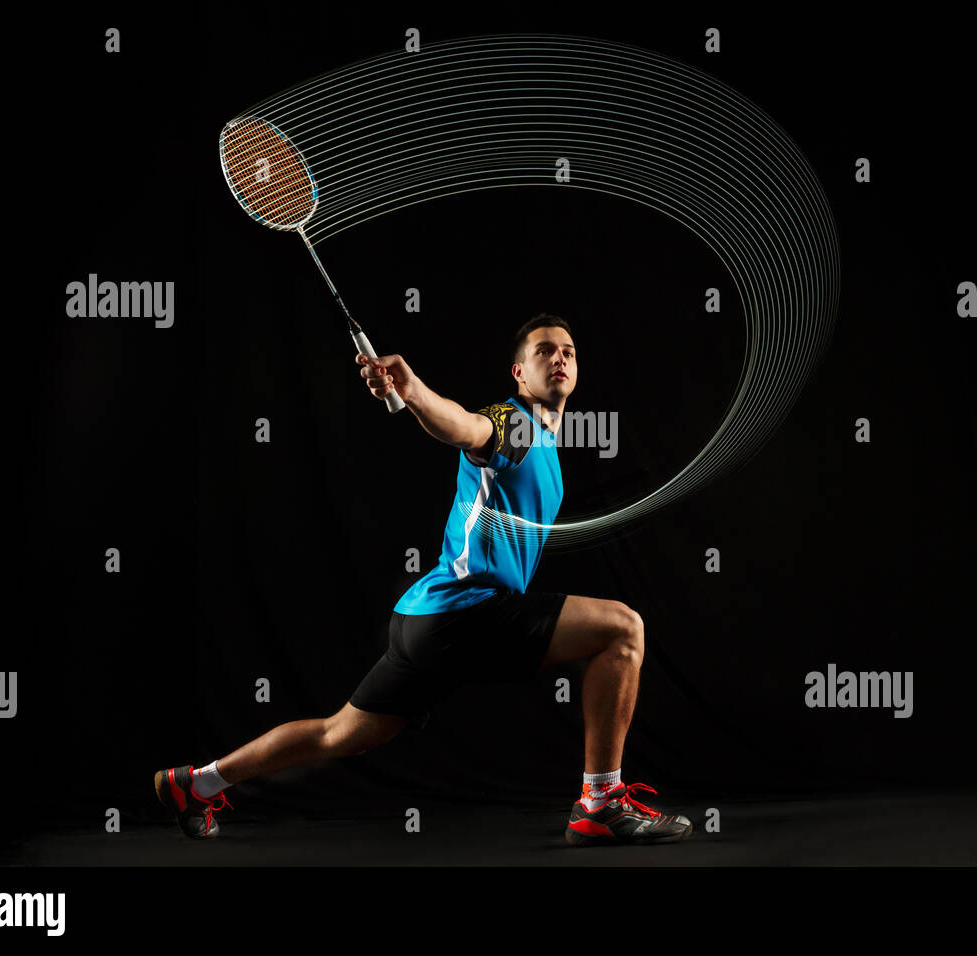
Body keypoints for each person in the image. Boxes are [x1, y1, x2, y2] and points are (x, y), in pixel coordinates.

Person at [155, 313, 691, 846]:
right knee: (623, 629)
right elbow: (464, 426)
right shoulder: (514, 426)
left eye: (568, 352)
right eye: (544, 350)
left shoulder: (549, 446)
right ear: (519, 374)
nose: (560, 358)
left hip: (425, 622)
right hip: (464, 612)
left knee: (336, 733)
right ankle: (600, 803)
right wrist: (413, 392)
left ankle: (196, 783)